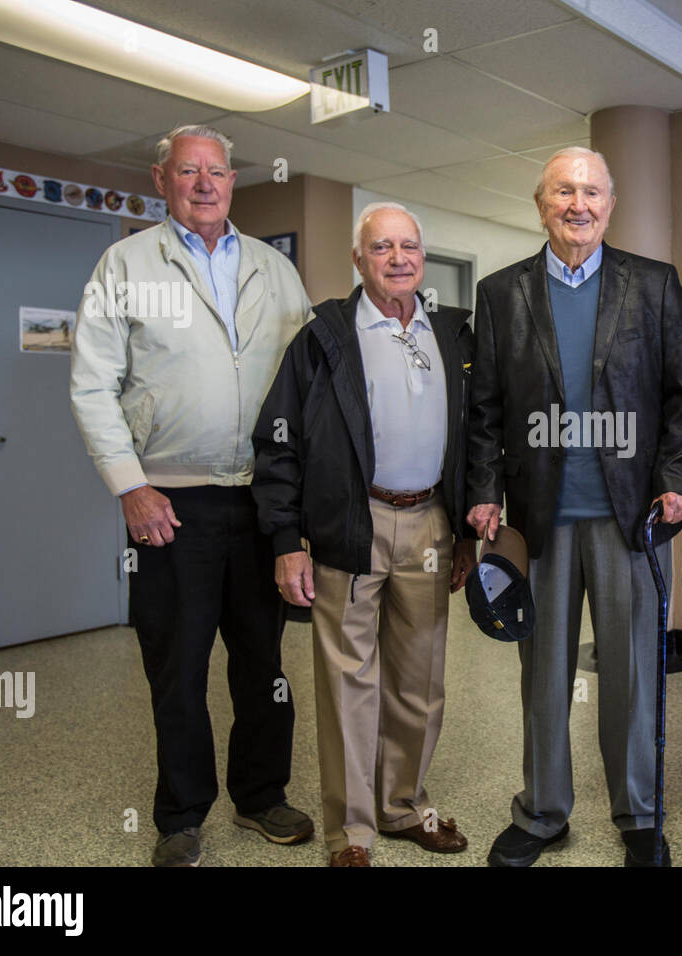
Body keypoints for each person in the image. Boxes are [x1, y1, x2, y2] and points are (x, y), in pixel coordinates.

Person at [70, 124, 314, 867]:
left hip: (264, 500)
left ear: (233, 181)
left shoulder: (275, 270)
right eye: (187, 171)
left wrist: (301, 502)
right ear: (161, 179)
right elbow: (91, 384)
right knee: (176, 664)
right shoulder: (126, 263)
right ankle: (180, 815)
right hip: (170, 502)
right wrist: (130, 486)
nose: (203, 183)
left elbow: (306, 385)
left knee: (263, 662)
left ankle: (262, 796)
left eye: (215, 171)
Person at [466, 147, 682, 867]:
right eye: (564, 191)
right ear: (541, 204)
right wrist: (482, 492)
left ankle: (639, 814)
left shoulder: (652, 284)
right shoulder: (501, 292)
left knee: (633, 673)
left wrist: (677, 480)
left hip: (631, 516)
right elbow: (484, 409)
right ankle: (542, 813)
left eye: (593, 192)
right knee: (543, 674)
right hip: (539, 520)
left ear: (611, 204)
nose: (579, 204)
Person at [252, 203, 477, 867]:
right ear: (359, 259)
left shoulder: (454, 335)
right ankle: (352, 832)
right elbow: (278, 442)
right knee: (350, 683)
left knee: (420, 678)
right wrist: (286, 538)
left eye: (410, 246)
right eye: (383, 247)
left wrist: (467, 529)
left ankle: (404, 806)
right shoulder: (324, 337)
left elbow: (478, 436)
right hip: (350, 524)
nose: (399, 258)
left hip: (431, 520)